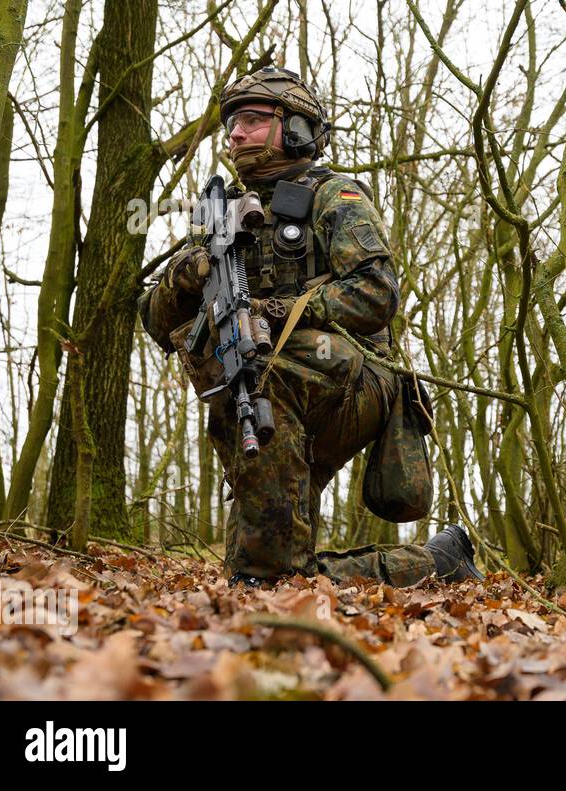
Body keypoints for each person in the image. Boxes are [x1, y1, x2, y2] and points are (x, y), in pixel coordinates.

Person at [137, 66, 480, 587]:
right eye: (231, 123)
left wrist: (283, 311)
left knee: (269, 367)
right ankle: (437, 560)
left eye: (252, 119)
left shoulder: (333, 197)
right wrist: (186, 275)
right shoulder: (218, 215)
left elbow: (377, 292)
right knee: (265, 575)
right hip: (261, 393)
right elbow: (158, 325)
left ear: (295, 128)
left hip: (352, 376)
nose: (234, 133)